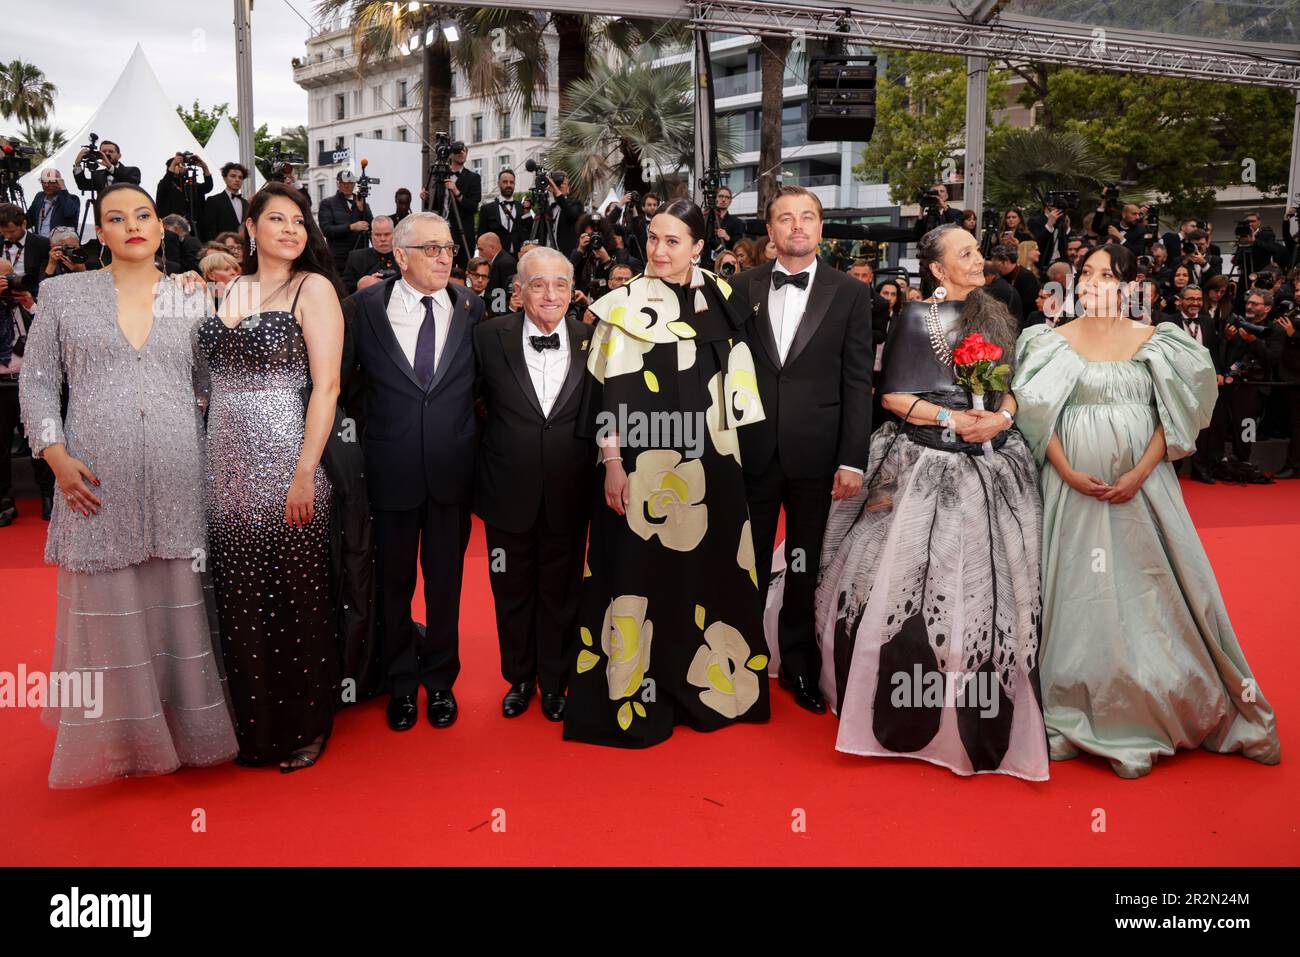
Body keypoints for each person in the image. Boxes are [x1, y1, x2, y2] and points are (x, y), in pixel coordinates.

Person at [1013, 243, 1280, 778]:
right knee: (1078, 591)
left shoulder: (1160, 341)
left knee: (1152, 588)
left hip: (1145, 488)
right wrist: (1064, 470)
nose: (1093, 283)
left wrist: (1139, 472)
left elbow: (1174, 415)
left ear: (1131, 285)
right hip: (1070, 490)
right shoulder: (1045, 341)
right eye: (1085, 274)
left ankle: (1158, 691)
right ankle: (1081, 694)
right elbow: (1035, 416)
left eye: (1107, 274)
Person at [18, 182, 238, 787]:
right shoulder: (63, 294)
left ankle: (184, 730)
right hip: (93, 477)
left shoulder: (189, 300)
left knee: (177, 605)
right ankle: (120, 740)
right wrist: (54, 453)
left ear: (162, 227)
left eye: (143, 215)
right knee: (109, 607)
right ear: (101, 232)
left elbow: (208, 385)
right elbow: (37, 380)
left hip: (178, 471)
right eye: (116, 218)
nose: (133, 225)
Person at [814, 222, 1046, 778]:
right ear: (938, 270)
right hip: (922, 462)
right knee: (910, 576)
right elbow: (892, 396)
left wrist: (1001, 417)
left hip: (994, 462)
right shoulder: (915, 318)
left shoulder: (997, 311)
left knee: (992, 585)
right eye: (964, 254)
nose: (977, 259)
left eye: (976, 251)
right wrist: (951, 417)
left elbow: (1008, 385)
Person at [563, 199, 770, 747]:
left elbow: (741, 390)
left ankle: (710, 688)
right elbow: (601, 395)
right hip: (638, 468)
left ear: (699, 247)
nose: (657, 250)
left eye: (672, 241)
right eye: (652, 237)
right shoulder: (619, 306)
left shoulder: (727, 299)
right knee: (636, 580)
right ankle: (635, 692)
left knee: (711, 576)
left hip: (715, 467)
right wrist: (611, 464)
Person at [196, 182, 344, 772]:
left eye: (299, 221)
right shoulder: (225, 289)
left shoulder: (315, 288)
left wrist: (306, 469)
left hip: (288, 463)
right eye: (276, 219)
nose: (290, 229)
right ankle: (253, 728)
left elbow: (327, 387)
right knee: (239, 602)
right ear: (249, 227)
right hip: (223, 469)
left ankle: (306, 726)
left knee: (298, 600)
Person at [732, 185, 874, 714]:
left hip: (819, 458)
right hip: (750, 453)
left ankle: (798, 666)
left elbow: (858, 382)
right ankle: (742, 664)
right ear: (769, 231)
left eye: (807, 217)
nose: (797, 226)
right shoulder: (738, 288)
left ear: (820, 229)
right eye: (785, 218)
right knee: (744, 564)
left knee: (804, 566)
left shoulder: (850, 293)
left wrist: (852, 457)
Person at [342, 212, 484, 732]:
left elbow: (480, 389)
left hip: (452, 472)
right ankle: (401, 684)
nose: (445, 257)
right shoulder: (361, 309)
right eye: (432, 248)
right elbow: (343, 388)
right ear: (399, 256)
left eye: (449, 247)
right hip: (388, 471)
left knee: (446, 585)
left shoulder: (472, 306)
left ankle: (442, 683)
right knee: (393, 585)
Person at [474, 247, 595, 720]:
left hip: (570, 487)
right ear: (518, 292)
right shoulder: (487, 337)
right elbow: (472, 404)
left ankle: (556, 681)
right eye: (538, 284)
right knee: (512, 590)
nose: (550, 294)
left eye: (560, 284)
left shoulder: (592, 338)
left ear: (572, 291)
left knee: (562, 593)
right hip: (507, 489)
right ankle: (519, 678)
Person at [421, 141, 479, 269]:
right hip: (443, 231)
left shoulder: (473, 178)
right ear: (450, 155)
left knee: (465, 269)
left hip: (463, 232)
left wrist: (457, 192)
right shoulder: (441, 176)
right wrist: (427, 199)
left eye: (464, 151)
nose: (461, 153)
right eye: (458, 151)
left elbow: (473, 206)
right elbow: (437, 205)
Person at [318, 170, 374, 273]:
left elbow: (371, 227)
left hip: (360, 257)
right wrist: (351, 227)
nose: (347, 186)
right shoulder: (327, 203)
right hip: (338, 260)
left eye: (350, 183)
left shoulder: (361, 201)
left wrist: (362, 210)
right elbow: (326, 230)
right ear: (338, 184)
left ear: (354, 185)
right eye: (344, 183)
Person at [341, 214, 397, 295]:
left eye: (387, 234)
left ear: (394, 234)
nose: (382, 239)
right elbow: (344, 288)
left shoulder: (405, 257)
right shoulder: (356, 258)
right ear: (372, 235)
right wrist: (362, 284)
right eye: (378, 235)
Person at [155, 152, 213, 229]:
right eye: (179, 165)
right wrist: (174, 163)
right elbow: (167, 180)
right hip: (171, 228)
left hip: (191, 227)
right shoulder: (165, 185)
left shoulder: (189, 185)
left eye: (183, 165)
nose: (183, 167)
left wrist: (204, 167)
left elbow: (208, 186)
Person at [477, 169, 525, 256]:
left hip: (518, 257)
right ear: (498, 183)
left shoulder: (520, 207)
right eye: (505, 182)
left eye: (511, 182)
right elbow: (481, 236)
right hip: (496, 259)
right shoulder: (487, 209)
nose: (508, 185)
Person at [199, 162, 250, 244]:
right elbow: (208, 230)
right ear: (225, 178)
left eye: (240, 177)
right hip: (221, 248)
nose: (237, 180)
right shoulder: (213, 201)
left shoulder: (246, 204)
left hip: (242, 249)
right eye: (233, 176)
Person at [26, 169, 80, 238]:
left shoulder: (72, 199)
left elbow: (69, 212)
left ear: (59, 182)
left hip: (60, 243)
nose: (46, 185)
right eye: (43, 182)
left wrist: (63, 189)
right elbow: (29, 219)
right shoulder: (39, 197)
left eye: (51, 182)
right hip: (40, 243)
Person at [72, 140, 141, 193]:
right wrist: (77, 165)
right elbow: (83, 185)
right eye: (103, 152)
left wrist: (110, 167)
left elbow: (132, 183)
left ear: (119, 156)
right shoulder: (98, 174)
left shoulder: (133, 171)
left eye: (111, 151)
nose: (107, 154)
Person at [476, 230, 516, 316]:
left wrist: (493, 313)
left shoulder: (506, 263)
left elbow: (505, 294)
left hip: (498, 313)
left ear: (492, 247)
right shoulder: (499, 260)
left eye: (481, 249)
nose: (479, 253)